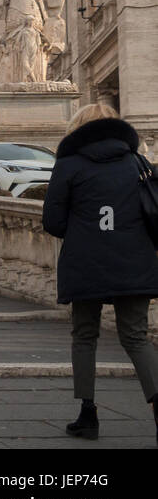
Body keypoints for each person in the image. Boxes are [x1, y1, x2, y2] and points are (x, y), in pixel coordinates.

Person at [42, 103, 158, 445]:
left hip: (86, 262)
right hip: (135, 261)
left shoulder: (69, 164)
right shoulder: (137, 162)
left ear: (77, 129)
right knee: (136, 336)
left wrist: (85, 230)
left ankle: (88, 414)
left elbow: (52, 221)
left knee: (84, 335)